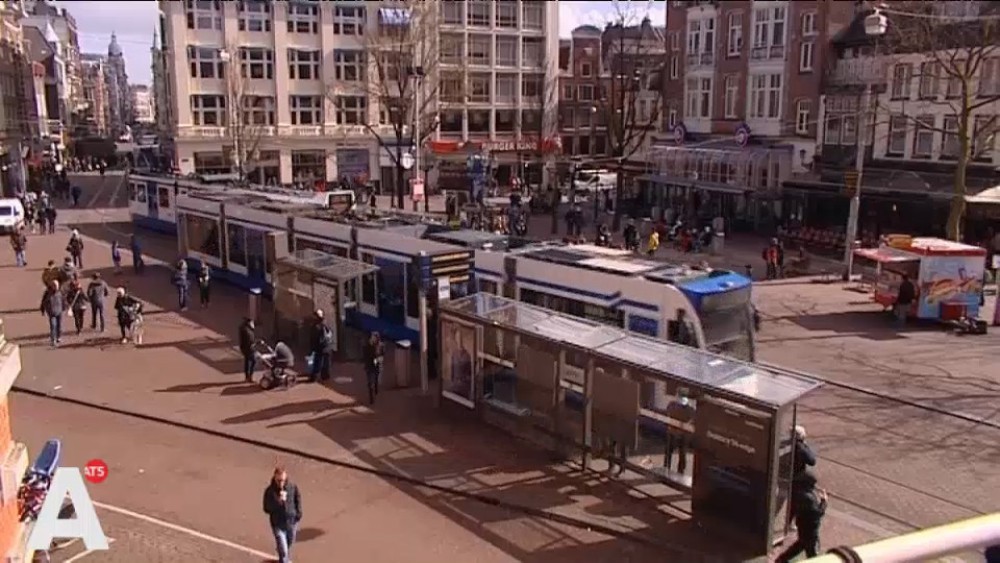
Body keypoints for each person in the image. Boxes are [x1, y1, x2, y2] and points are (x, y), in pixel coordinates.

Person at [775, 468, 827, 562]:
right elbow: (818, 513)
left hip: (803, 526)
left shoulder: (800, 492)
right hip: (810, 528)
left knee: (801, 545)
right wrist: (824, 501)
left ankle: (781, 559)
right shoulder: (808, 498)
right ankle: (782, 559)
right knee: (812, 552)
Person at [262, 467, 302, 563]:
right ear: (275, 478)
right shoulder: (270, 491)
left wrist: (298, 513)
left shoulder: (292, 487)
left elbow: (297, 498)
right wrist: (278, 502)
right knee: (284, 550)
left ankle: (282, 555)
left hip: (291, 522)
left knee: (289, 543)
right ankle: (283, 559)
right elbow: (266, 508)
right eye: (279, 481)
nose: (281, 483)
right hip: (278, 524)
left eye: (283, 480)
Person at [664, 391, 695, 475]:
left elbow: (668, 412)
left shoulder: (672, 405)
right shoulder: (690, 409)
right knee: (682, 453)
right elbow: (692, 419)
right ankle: (680, 471)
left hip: (672, 431)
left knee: (669, 452)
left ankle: (666, 468)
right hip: (683, 434)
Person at [308, 310, 333, 383]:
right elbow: (330, 333)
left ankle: (314, 377)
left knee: (317, 362)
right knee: (326, 363)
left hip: (320, 347)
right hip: (327, 346)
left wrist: (312, 348)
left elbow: (314, 338)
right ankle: (325, 376)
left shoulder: (316, 326)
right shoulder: (325, 324)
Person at [39, 280, 65, 347]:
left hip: (59, 311)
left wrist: (64, 307)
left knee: (59, 325)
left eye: (57, 286)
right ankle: (53, 339)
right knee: (53, 326)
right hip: (51, 312)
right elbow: (43, 302)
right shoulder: (47, 293)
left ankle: (59, 337)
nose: (56, 287)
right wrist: (42, 310)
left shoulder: (60, 292)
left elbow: (63, 300)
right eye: (55, 286)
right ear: (52, 286)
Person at [362, 332, 384, 404]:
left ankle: (376, 388)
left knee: (376, 379)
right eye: (372, 337)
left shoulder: (381, 345)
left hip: (377, 366)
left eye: (374, 337)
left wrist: (379, 359)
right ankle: (372, 399)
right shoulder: (367, 346)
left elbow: (382, 355)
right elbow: (365, 356)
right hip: (370, 366)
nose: (373, 339)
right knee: (370, 383)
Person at [239, 318, 256, 382]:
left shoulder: (244, 329)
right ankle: (250, 376)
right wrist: (253, 344)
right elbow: (250, 340)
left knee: (247, 362)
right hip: (249, 349)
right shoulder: (247, 331)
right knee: (253, 361)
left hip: (245, 348)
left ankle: (247, 376)